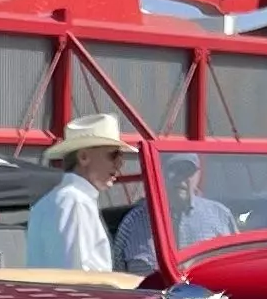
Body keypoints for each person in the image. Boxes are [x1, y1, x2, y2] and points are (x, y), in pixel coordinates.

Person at [20, 115, 129, 271]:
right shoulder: (76, 201)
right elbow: (80, 277)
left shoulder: (51, 200)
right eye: (113, 155)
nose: (120, 163)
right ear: (83, 157)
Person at [114, 151, 233, 272]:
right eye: (174, 170)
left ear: (198, 175)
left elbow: (236, 265)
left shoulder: (220, 215)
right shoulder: (134, 222)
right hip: (153, 291)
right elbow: (116, 275)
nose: (180, 178)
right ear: (160, 173)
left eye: (187, 171)